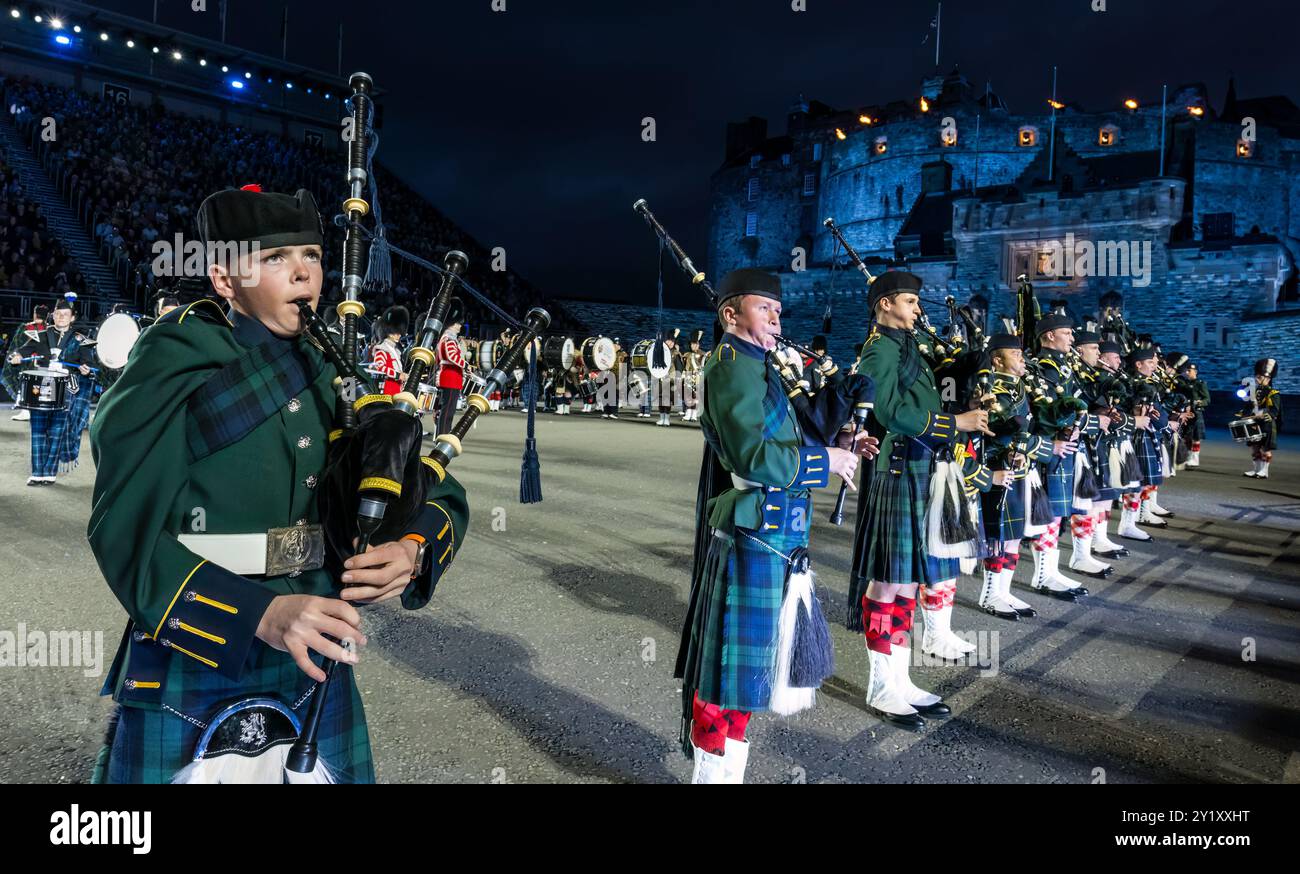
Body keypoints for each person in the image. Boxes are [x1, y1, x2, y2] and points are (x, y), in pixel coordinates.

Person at [86, 186, 469, 783]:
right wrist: (257, 614)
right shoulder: (172, 360)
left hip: (313, 655)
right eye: (275, 259)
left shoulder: (337, 370)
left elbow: (434, 491)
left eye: (312, 256)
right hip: (197, 637)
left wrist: (411, 548)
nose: (302, 274)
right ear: (223, 278)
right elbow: (125, 531)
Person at [674, 269, 870, 782]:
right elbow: (751, 457)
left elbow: (789, 434)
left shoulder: (762, 365)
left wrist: (840, 439)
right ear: (730, 314)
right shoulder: (731, 366)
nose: (776, 317)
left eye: (778, 309)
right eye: (765, 308)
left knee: (751, 676)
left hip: (779, 535)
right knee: (729, 682)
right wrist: (822, 462)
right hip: (753, 534)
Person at [849, 271, 991, 731]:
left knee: (908, 580)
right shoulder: (879, 350)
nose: (917, 308)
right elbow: (887, 411)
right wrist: (956, 424)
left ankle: (900, 678)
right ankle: (881, 684)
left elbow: (933, 385)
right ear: (886, 304)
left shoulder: (908, 345)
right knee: (889, 582)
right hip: (900, 468)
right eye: (910, 301)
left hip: (922, 467)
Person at [8, 296, 95, 485]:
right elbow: (23, 350)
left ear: (72, 318)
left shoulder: (82, 339)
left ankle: (49, 473)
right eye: (58, 314)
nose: (61, 317)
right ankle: (37, 473)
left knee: (57, 430)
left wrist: (85, 368)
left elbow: (90, 362)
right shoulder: (40, 334)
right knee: (38, 429)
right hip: (40, 386)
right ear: (53, 316)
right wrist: (16, 356)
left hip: (65, 388)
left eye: (65, 314)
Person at [5, 303, 48, 421]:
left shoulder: (25, 327)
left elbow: (17, 345)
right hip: (43, 363)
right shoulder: (50, 328)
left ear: (35, 314)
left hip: (26, 361)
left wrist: (12, 355)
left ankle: (25, 410)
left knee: (24, 385)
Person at [1242, 358, 1283, 479]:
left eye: (1260, 377)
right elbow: (1248, 406)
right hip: (1255, 423)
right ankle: (1256, 469)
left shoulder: (1274, 393)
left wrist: (1261, 414)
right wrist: (1244, 414)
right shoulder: (1253, 391)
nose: (1257, 379)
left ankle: (1264, 471)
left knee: (1265, 449)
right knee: (1255, 448)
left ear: (1268, 379)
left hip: (1267, 424)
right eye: (1257, 377)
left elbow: (1274, 411)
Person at [1176, 359, 1210, 468]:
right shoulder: (1183, 383)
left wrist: (1199, 402)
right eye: (1186, 370)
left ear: (1195, 372)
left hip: (1196, 412)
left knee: (1196, 437)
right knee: (1186, 437)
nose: (1187, 372)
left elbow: (1207, 399)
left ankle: (1195, 459)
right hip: (1186, 412)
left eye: (1189, 370)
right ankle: (1187, 457)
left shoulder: (1200, 384)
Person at [435, 319, 465, 436]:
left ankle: (443, 434)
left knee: (447, 411)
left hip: (450, 377)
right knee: (447, 412)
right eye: (457, 323)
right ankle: (442, 435)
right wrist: (465, 365)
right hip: (450, 378)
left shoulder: (446, 338)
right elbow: (451, 356)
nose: (459, 326)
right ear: (451, 324)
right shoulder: (449, 339)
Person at [371, 305, 409, 396]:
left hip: (396, 390)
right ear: (388, 331)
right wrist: (398, 375)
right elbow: (379, 367)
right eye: (396, 332)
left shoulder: (396, 350)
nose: (399, 335)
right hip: (387, 391)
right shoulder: (382, 349)